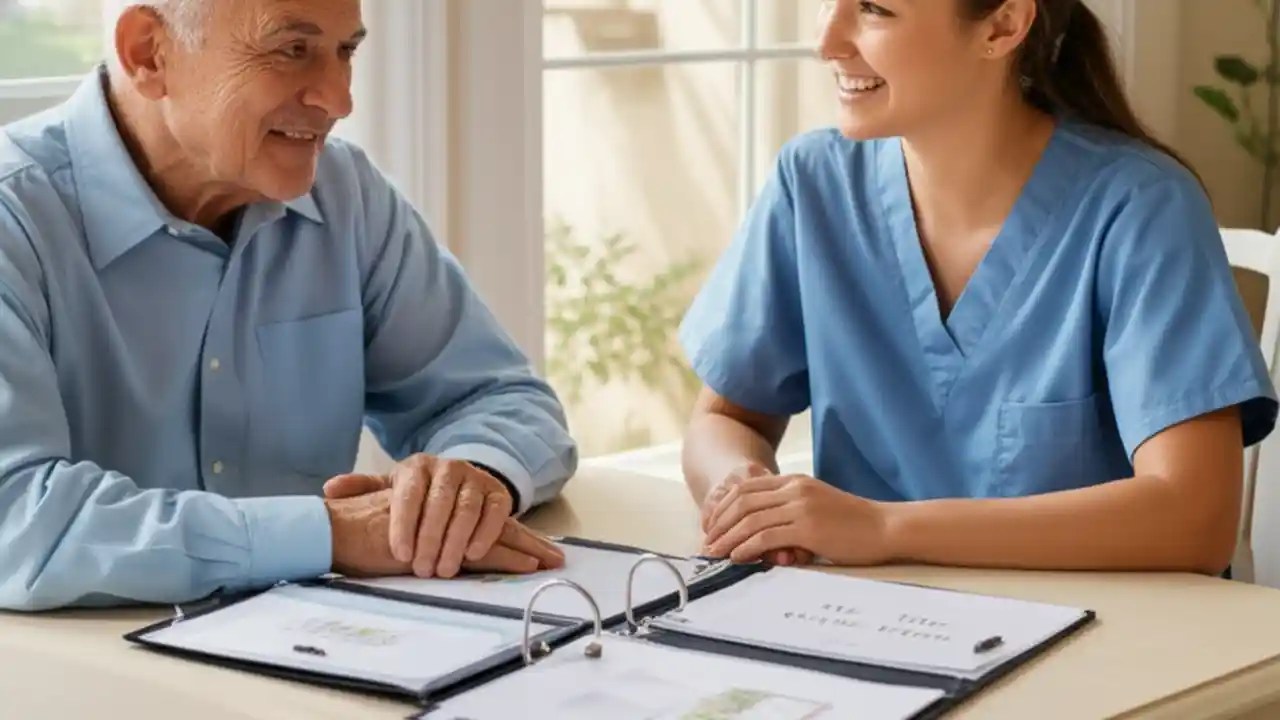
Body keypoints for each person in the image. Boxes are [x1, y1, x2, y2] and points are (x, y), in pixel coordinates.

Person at [0, 0, 575, 612]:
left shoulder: (346, 194)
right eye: (291, 50)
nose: (339, 99)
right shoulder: (16, 220)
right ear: (149, 52)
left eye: (346, 51)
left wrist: (462, 488)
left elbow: (502, 399)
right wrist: (334, 534)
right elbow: (15, 517)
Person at [681, 0, 1279, 575]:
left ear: (1004, 24)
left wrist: (884, 530)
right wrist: (747, 498)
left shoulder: (1139, 208)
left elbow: (1195, 519)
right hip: (862, 624)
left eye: (874, 9)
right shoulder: (811, 185)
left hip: (1104, 646)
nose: (826, 41)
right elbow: (726, 420)